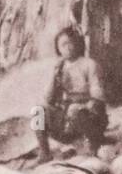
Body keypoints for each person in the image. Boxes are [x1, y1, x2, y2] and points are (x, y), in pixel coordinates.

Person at [37, 26, 108, 160]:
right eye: (63, 45)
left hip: (90, 115)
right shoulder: (60, 67)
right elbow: (49, 99)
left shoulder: (89, 64)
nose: (67, 47)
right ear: (58, 48)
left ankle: (93, 146)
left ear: (77, 43)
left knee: (75, 110)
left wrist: (84, 106)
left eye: (70, 43)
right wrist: (54, 76)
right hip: (68, 118)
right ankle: (44, 152)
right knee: (38, 111)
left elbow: (98, 95)